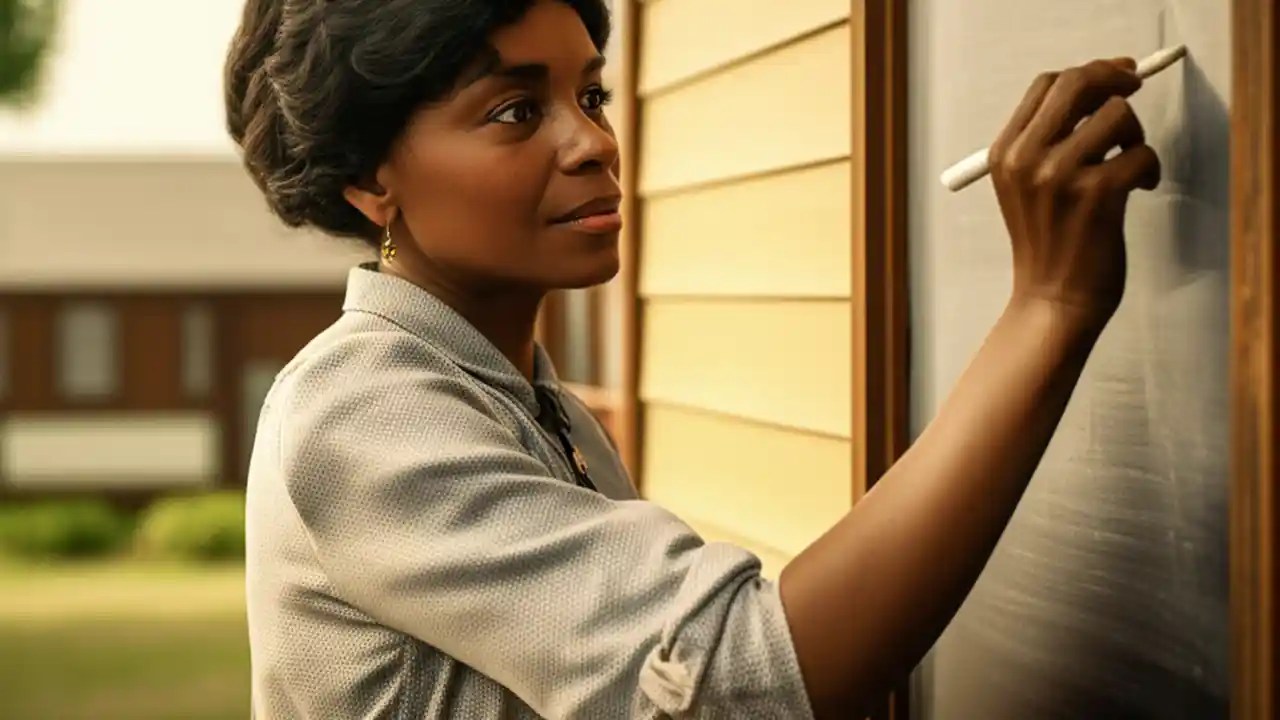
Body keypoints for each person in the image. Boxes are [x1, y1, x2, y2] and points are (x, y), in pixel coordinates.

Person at [224, 0, 1161, 717]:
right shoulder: (361, 414)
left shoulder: (533, 406)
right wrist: (1049, 304)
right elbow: (740, 676)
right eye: (515, 110)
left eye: (590, 94)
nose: (593, 141)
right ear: (369, 180)